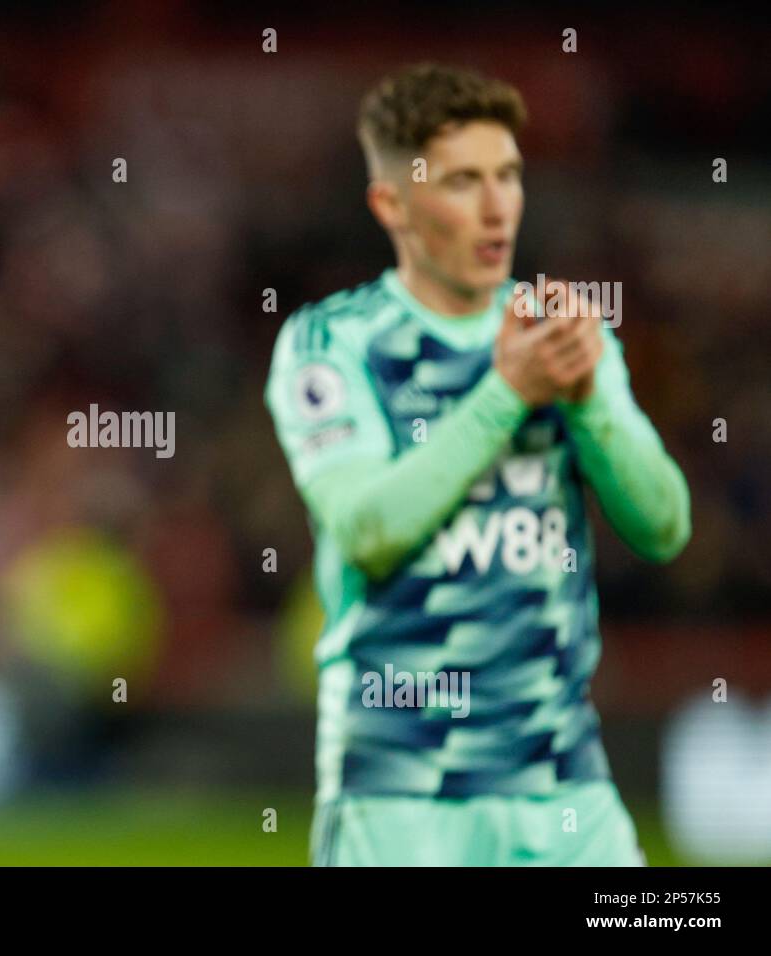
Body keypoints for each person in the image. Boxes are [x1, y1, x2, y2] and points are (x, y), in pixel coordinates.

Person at [265, 63, 690, 865]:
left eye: (509, 176)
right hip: (401, 789)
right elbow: (366, 530)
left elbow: (665, 526)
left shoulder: (561, 335)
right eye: (463, 181)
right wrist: (506, 392)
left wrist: (589, 395)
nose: (498, 207)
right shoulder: (333, 342)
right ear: (392, 204)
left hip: (562, 781)